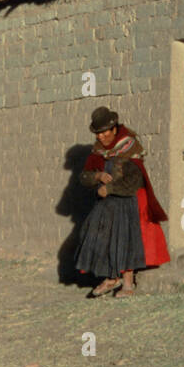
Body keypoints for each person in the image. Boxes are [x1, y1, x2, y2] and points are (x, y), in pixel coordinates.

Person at [75, 106, 171, 298]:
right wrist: (98, 176)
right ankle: (111, 277)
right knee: (98, 231)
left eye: (104, 132)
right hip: (108, 202)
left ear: (114, 129)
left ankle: (128, 283)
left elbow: (134, 181)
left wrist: (109, 188)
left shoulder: (129, 146)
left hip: (130, 200)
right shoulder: (99, 151)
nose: (101, 137)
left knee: (125, 237)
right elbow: (84, 176)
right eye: (98, 133)